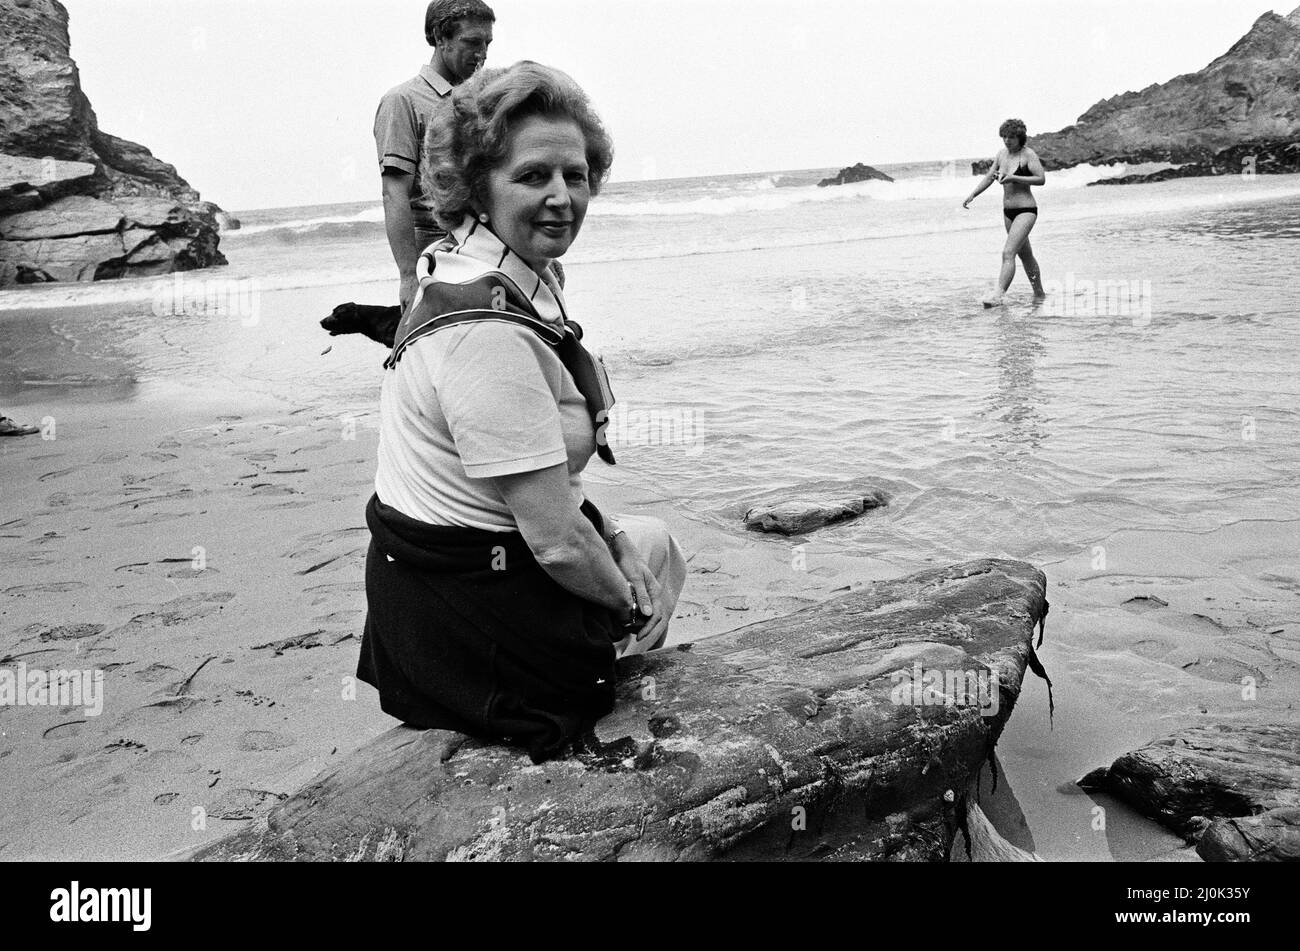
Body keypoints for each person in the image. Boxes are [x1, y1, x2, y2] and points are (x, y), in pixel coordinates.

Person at [357, 62, 687, 764]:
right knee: (657, 565)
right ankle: (595, 708)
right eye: (534, 176)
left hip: (423, 591)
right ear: (476, 184)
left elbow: (534, 494)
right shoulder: (487, 334)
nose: (563, 197)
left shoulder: (470, 269)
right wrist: (629, 598)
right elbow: (556, 544)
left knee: (647, 539)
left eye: (576, 174)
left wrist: (611, 533)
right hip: (466, 621)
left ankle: (614, 670)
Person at [375, 0, 496, 315]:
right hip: (432, 250)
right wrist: (407, 275)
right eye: (471, 42)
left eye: (487, 43)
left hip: (481, 247)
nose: (482, 52)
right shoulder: (403, 101)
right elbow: (394, 192)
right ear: (440, 38)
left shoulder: (481, 101)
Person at [963, 118, 1047, 307]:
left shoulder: (1028, 155)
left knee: (1008, 253)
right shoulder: (1001, 154)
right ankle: (1039, 293)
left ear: (1020, 137)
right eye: (1004, 137)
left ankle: (997, 296)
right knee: (1025, 255)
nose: (1007, 141)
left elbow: (1041, 179)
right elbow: (990, 177)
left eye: (1011, 137)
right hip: (1008, 212)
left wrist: (1014, 177)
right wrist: (973, 194)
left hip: (1026, 210)